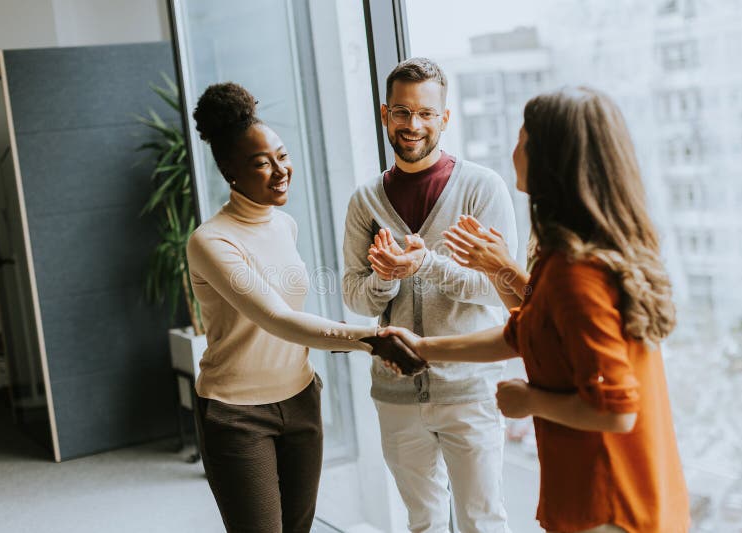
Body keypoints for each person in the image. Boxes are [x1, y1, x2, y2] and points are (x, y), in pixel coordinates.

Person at [383, 87, 691, 533]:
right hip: (625, 491)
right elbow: (527, 332)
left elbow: (617, 410)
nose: (513, 151)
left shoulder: (575, 272)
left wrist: (529, 400)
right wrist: (424, 347)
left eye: (523, 140)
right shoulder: (577, 254)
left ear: (551, 161)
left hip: (607, 504)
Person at [186, 82, 424, 533]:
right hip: (237, 413)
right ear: (230, 172)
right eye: (261, 163)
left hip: (298, 399)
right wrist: (371, 339)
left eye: (283, 155)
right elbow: (275, 318)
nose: (280, 171)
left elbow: (288, 312)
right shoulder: (211, 242)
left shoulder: (285, 224)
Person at [342, 58, 517, 533]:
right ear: (385, 115)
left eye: (425, 113)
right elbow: (356, 297)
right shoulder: (364, 200)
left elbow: (498, 288)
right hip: (395, 390)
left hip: (470, 389)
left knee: (482, 520)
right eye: (401, 112)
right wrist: (386, 278)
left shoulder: (482, 188)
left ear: (445, 117)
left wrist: (426, 264)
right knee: (423, 521)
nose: (412, 125)